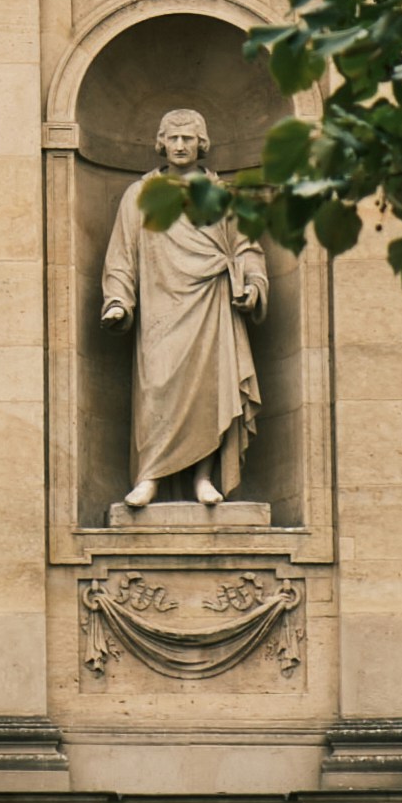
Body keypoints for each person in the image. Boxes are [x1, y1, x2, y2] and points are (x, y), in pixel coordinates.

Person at [101, 108, 267, 509]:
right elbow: (122, 254)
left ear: (201, 145)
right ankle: (150, 475)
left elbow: (247, 248)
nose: (179, 146)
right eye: (172, 138)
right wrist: (118, 299)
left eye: (188, 139)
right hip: (160, 307)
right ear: (160, 142)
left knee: (210, 390)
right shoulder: (139, 196)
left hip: (211, 302)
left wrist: (253, 285)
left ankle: (203, 478)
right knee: (156, 385)